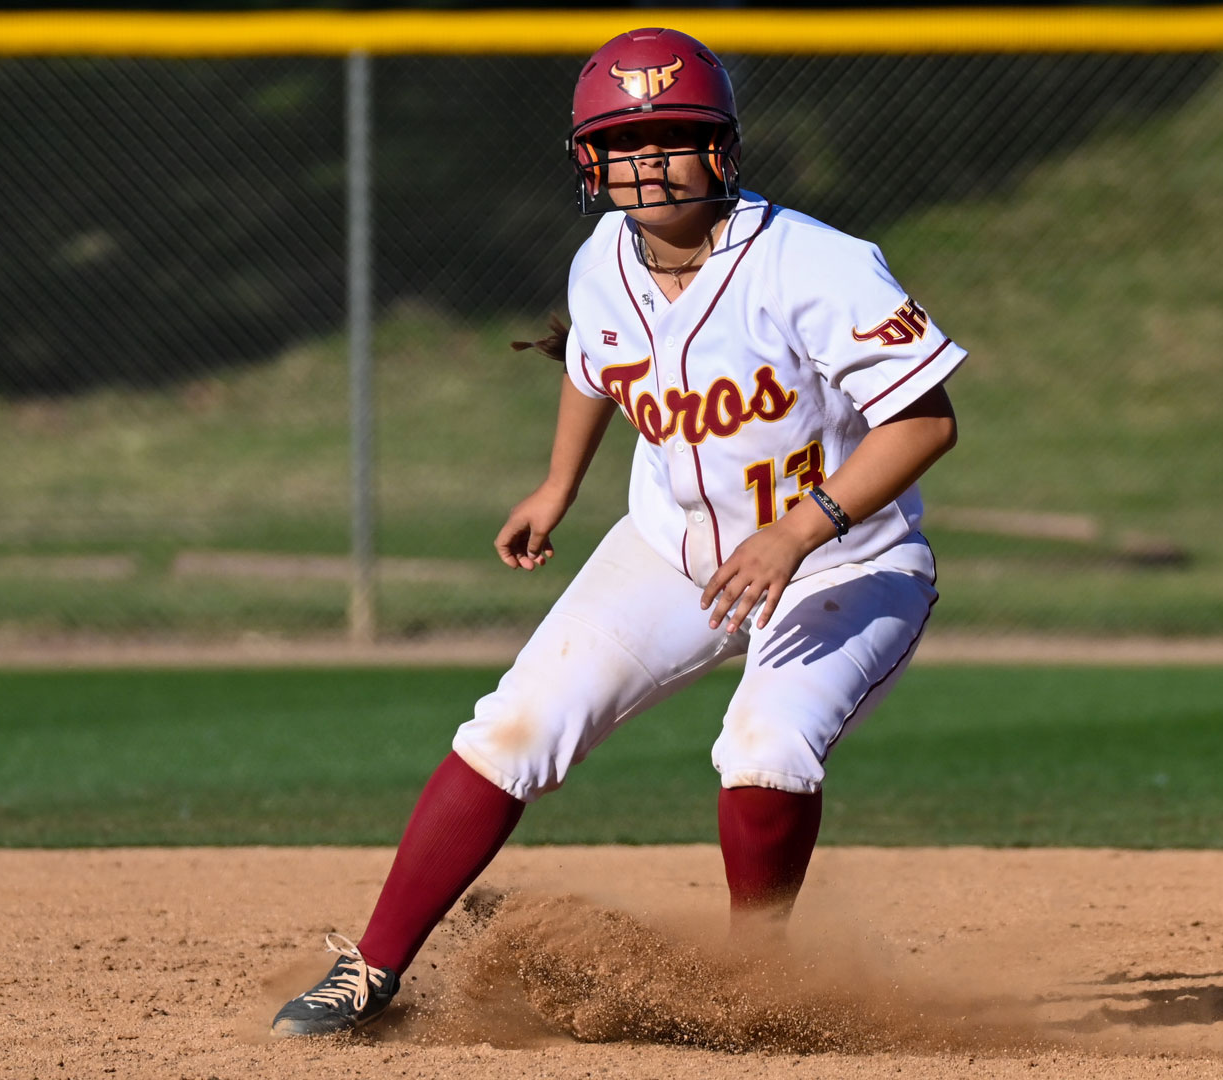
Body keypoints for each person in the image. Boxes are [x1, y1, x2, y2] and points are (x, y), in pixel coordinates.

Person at [272, 26, 965, 1038]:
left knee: (765, 746)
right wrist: (557, 484)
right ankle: (370, 973)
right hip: (672, 550)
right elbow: (591, 362)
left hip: (847, 565)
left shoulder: (819, 266)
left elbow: (926, 420)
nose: (646, 162)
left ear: (721, 148)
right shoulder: (604, 258)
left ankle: (757, 981)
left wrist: (799, 531)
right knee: (510, 729)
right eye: (621, 142)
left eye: (671, 137)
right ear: (588, 160)